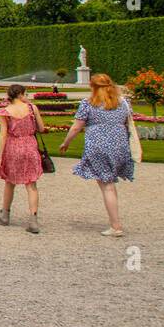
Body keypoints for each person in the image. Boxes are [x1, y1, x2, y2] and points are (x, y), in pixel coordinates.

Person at [59, 73, 133, 236]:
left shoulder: (88, 103)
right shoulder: (124, 103)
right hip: (120, 145)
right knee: (110, 184)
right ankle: (115, 223)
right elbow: (127, 123)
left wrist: (66, 143)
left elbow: (77, 127)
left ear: (93, 87)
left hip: (98, 146)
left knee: (107, 186)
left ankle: (116, 226)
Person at [0, 84, 46, 233]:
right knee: (31, 185)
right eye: (26, 94)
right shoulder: (31, 108)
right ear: (20, 94)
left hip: (13, 147)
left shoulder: (5, 111)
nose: (27, 96)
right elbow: (41, 128)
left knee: (10, 182)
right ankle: (33, 220)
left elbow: (3, 135)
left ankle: (5, 214)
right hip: (30, 146)